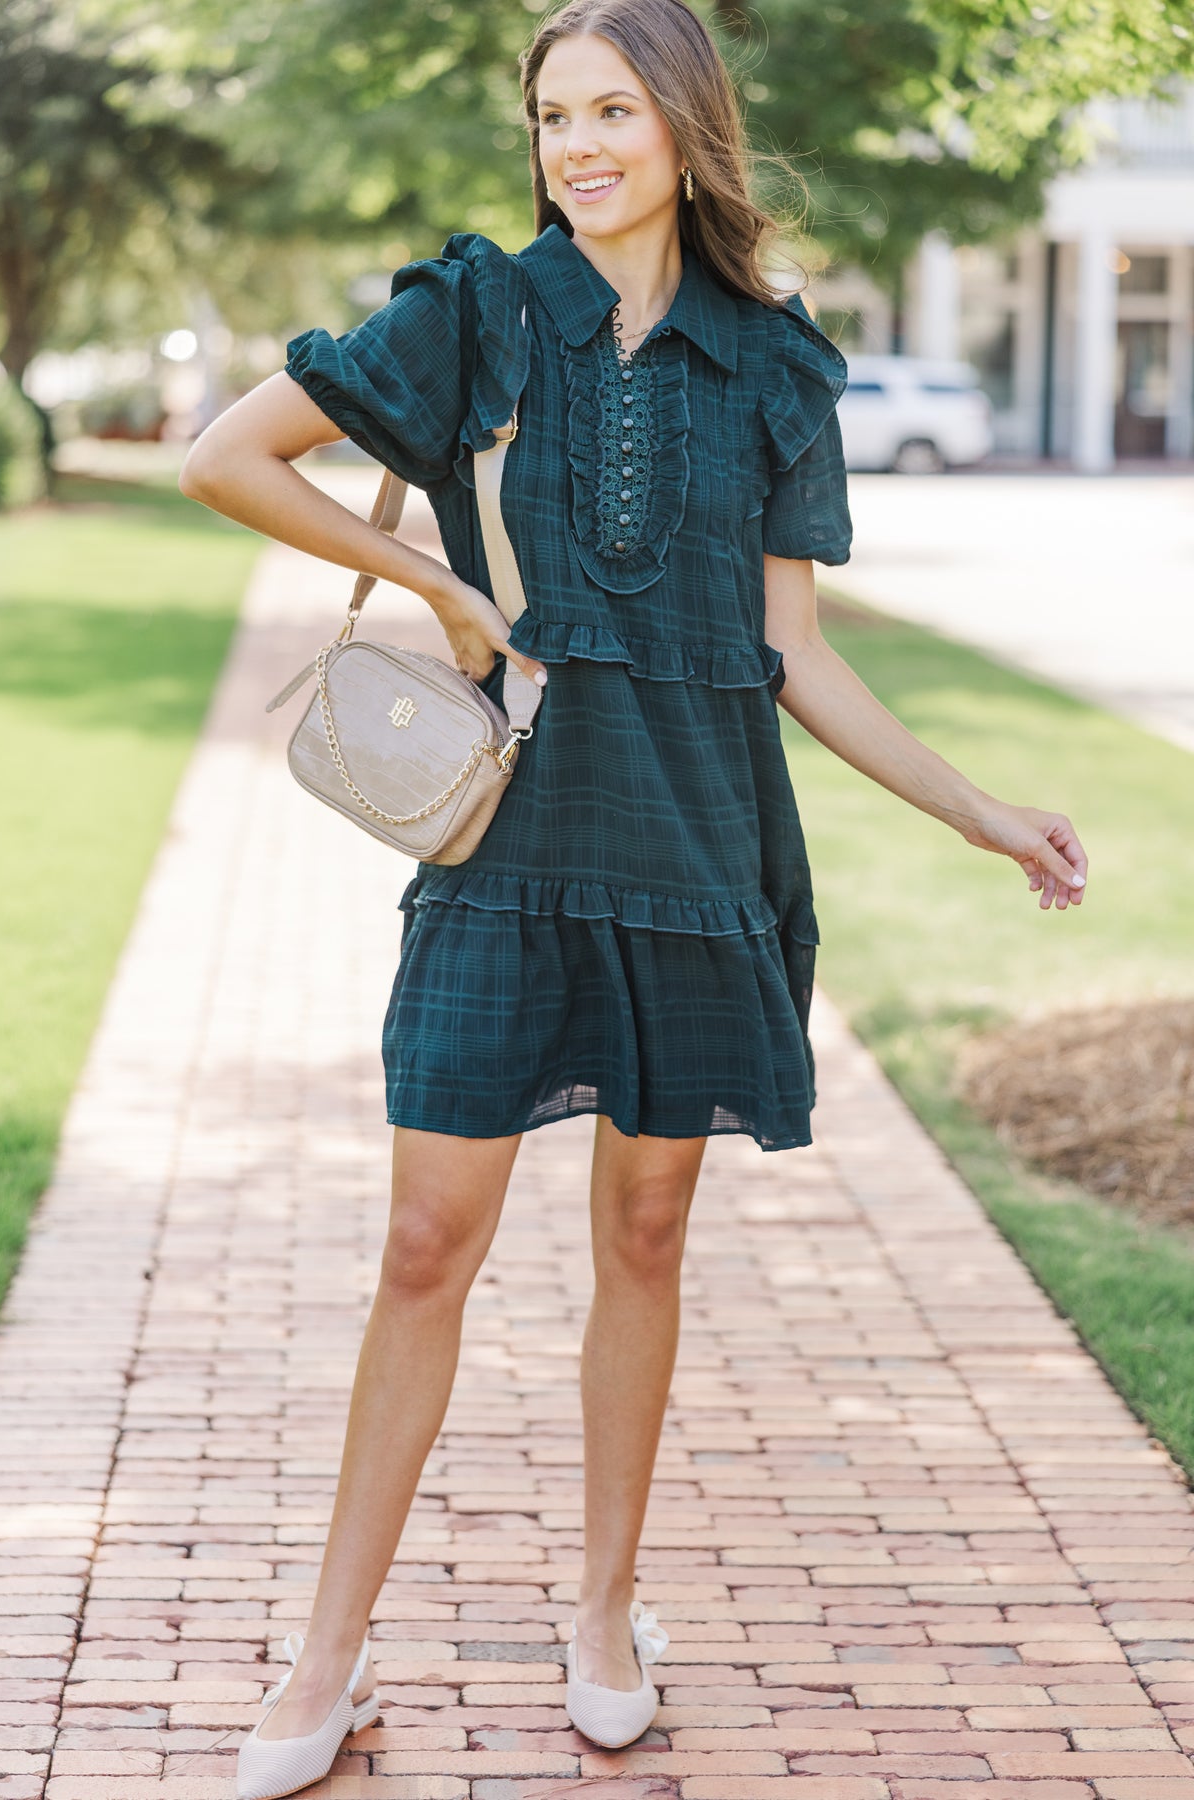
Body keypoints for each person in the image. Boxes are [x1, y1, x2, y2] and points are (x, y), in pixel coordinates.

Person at [178, 0, 1088, 1792]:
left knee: (647, 1236)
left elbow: (793, 651)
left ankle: (604, 1615)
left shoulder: (778, 362)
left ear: (684, 123)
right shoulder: (476, 312)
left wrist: (982, 812)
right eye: (552, 116)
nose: (577, 146)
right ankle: (325, 1659)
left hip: (697, 851)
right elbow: (227, 455)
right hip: (508, 857)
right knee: (426, 1243)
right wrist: (435, 588)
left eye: (610, 110)